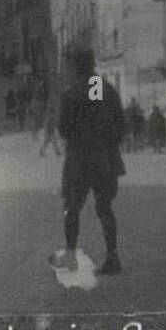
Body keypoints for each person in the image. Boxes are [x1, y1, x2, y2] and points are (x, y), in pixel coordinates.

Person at [51, 47, 125, 276]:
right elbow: (121, 125)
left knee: (71, 209)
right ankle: (112, 256)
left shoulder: (71, 93)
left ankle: (71, 257)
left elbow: (63, 129)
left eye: (69, 63)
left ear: (76, 65)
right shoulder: (108, 89)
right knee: (105, 208)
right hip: (104, 160)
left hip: (80, 161)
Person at [38, 87, 62, 158]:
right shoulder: (50, 115)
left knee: (49, 141)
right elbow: (49, 123)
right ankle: (55, 152)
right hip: (49, 130)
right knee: (50, 141)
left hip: (49, 130)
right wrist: (50, 130)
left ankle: (43, 152)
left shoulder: (49, 114)